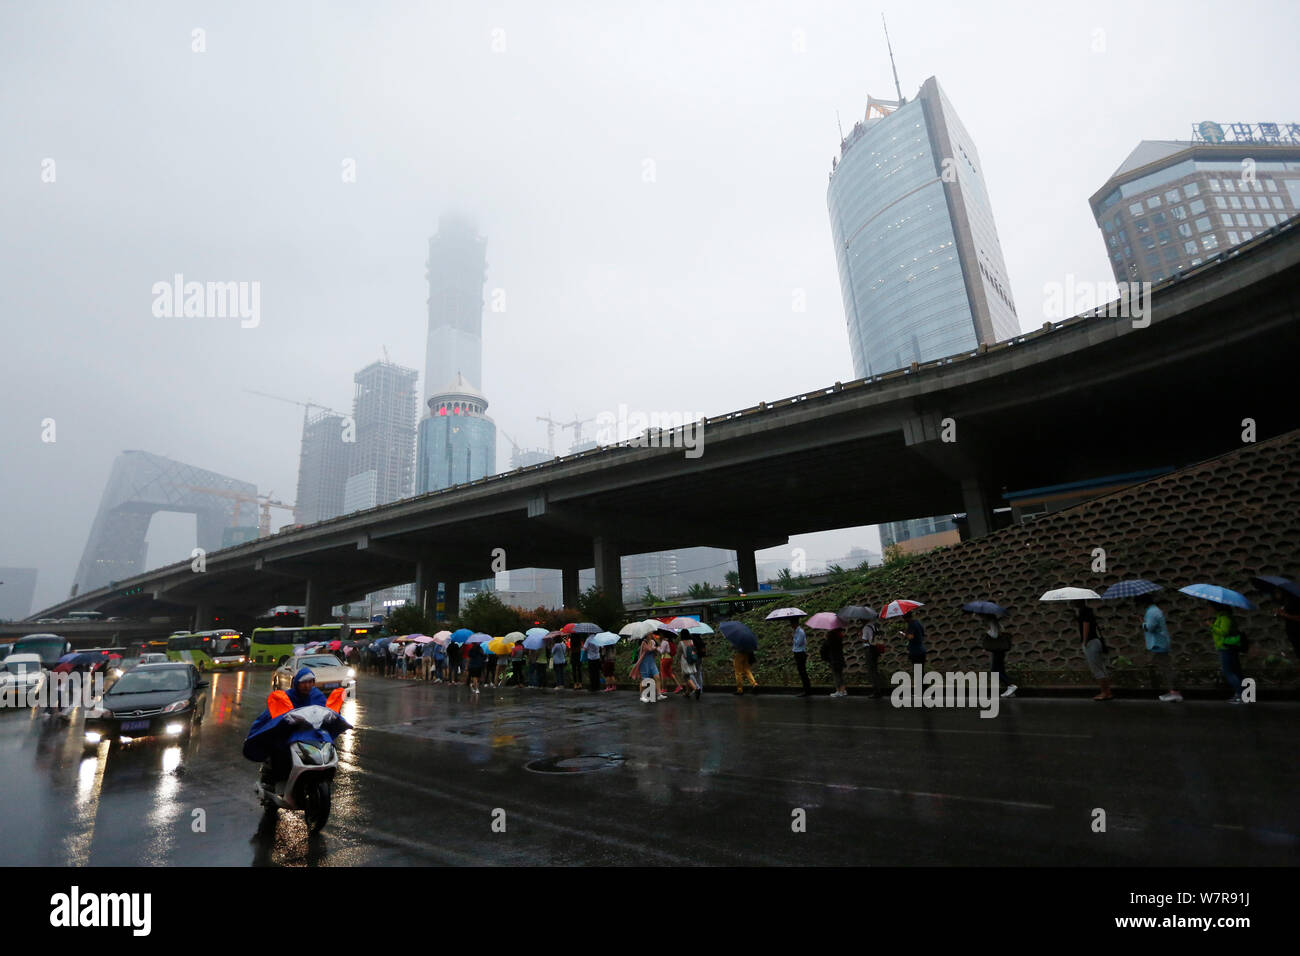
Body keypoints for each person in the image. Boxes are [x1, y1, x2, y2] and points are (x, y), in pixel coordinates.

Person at [1140, 594, 1180, 701]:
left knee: (1166, 668)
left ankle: (1174, 693)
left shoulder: (1151, 611)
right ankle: (1172, 691)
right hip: (1160, 643)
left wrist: (1142, 623)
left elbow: (1150, 627)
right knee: (1164, 667)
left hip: (1158, 643)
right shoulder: (1154, 610)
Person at [1209, 603, 1246, 703]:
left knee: (1228, 672)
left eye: (1211, 607)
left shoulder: (1224, 618)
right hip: (1229, 647)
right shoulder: (1225, 617)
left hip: (1225, 647)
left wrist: (1211, 626)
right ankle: (1242, 695)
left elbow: (1224, 632)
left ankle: (1240, 695)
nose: (1210, 609)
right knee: (1236, 671)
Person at [1075, 599, 1111, 700]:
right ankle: (1108, 692)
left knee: (1096, 668)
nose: (1073, 602)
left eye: (1075, 600)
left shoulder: (1084, 612)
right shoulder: (1089, 611)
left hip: (1090, 642)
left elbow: (1086, 625)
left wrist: (1085, 641)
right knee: (1101, 667)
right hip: (1096, 641)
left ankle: (1104, 692)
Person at [980, 613, 1017, 698]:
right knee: (1001, 670)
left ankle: (1010, 685)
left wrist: (988, 632)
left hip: (997, 651)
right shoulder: (997, 623)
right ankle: (1011, 692)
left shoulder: (993, 623)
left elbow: (995, 635)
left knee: (994, 671)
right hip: (1000, 650)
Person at [859, 618, 885, 698]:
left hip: (869, 650)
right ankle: (878, 690)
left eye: (861, 620)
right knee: (875, 670)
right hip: (875, 649)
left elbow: (864, 640)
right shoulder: (874, 626)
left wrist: (860, 635)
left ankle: (876, 692)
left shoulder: (866, 627)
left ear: (864, 620)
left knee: (872, 670)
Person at [630, 635, 661, 703]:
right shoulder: (643, 642)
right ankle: (642, 696)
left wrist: (656, 648)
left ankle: (659, 694)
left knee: (657, 676)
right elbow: (649, 649)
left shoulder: (652, 641)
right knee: (645, 680)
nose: (652, 634)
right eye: (650, 633)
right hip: (644, 663)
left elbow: (656, 652)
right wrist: (655, 648)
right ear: (647, 635)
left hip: (651, 662)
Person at [1271, 588, 1300, 659]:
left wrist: (1284, 615)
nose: (1276, 596)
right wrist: (1280, 612)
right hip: (1292, 630)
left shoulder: (1295, 601)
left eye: (1277, 593)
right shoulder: (1286, 602)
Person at [822, 627, 847, 697]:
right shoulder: (839, 635)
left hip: (834, 659)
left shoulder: (831, 636)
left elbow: (825, 646)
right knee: (840, 675)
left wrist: (826, 638)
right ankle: (843, 690)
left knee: (836, 675)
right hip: (840, 658)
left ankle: (838, 691)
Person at [790, 618, 812, 697]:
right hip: (797, 653)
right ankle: (806, 689)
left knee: (803, 672)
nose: (791, 626)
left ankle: (807, 690)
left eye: (792, 624)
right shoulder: (797, 632)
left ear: (795, 624)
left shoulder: (800, 632)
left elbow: (798, 643)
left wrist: (793, 637)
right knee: (802, 672)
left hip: (800, 654)